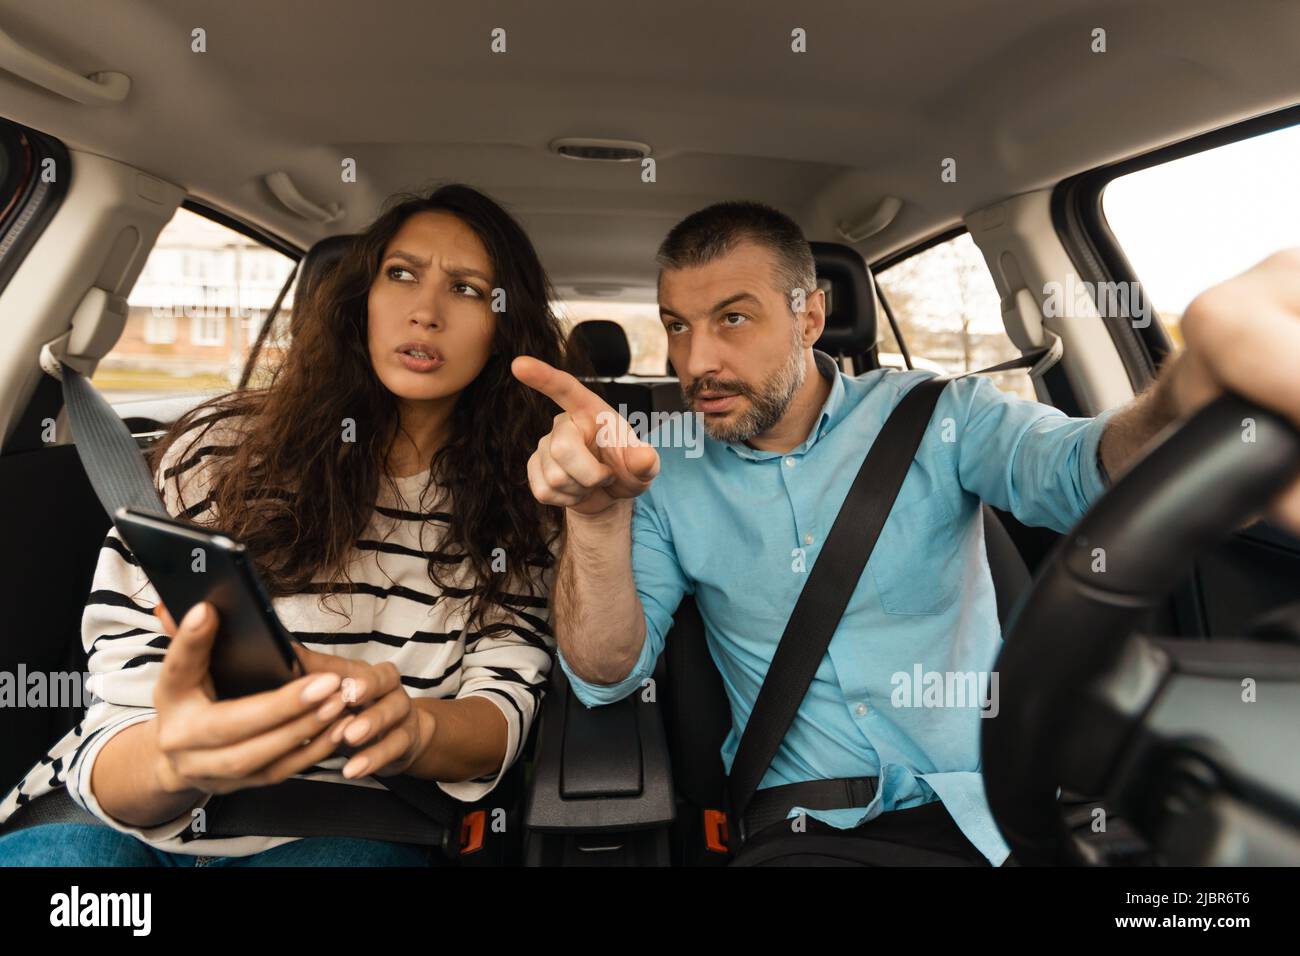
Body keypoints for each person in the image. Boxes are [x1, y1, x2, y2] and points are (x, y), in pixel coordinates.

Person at [512, 199, 1300, 866]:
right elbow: (605, 675)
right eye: (677, 325)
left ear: (809, 315)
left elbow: (1083, 472)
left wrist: (1182, 403)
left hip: (1003, 815)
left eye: (733, 319)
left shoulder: (940, 417)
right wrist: (595, 518)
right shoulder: (658, 473)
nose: (697, 360)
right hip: (808, 832)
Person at [0, 184, 569, 866]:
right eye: (402, 275)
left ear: (507, 325)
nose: (425, 312)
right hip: (123, 812)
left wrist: (416, 729)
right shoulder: (219, 450)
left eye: (468, 289)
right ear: (361, 297)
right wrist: (179, 764)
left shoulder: (526, 495)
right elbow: (121, 704)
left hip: (348, 821)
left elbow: (504, 699)